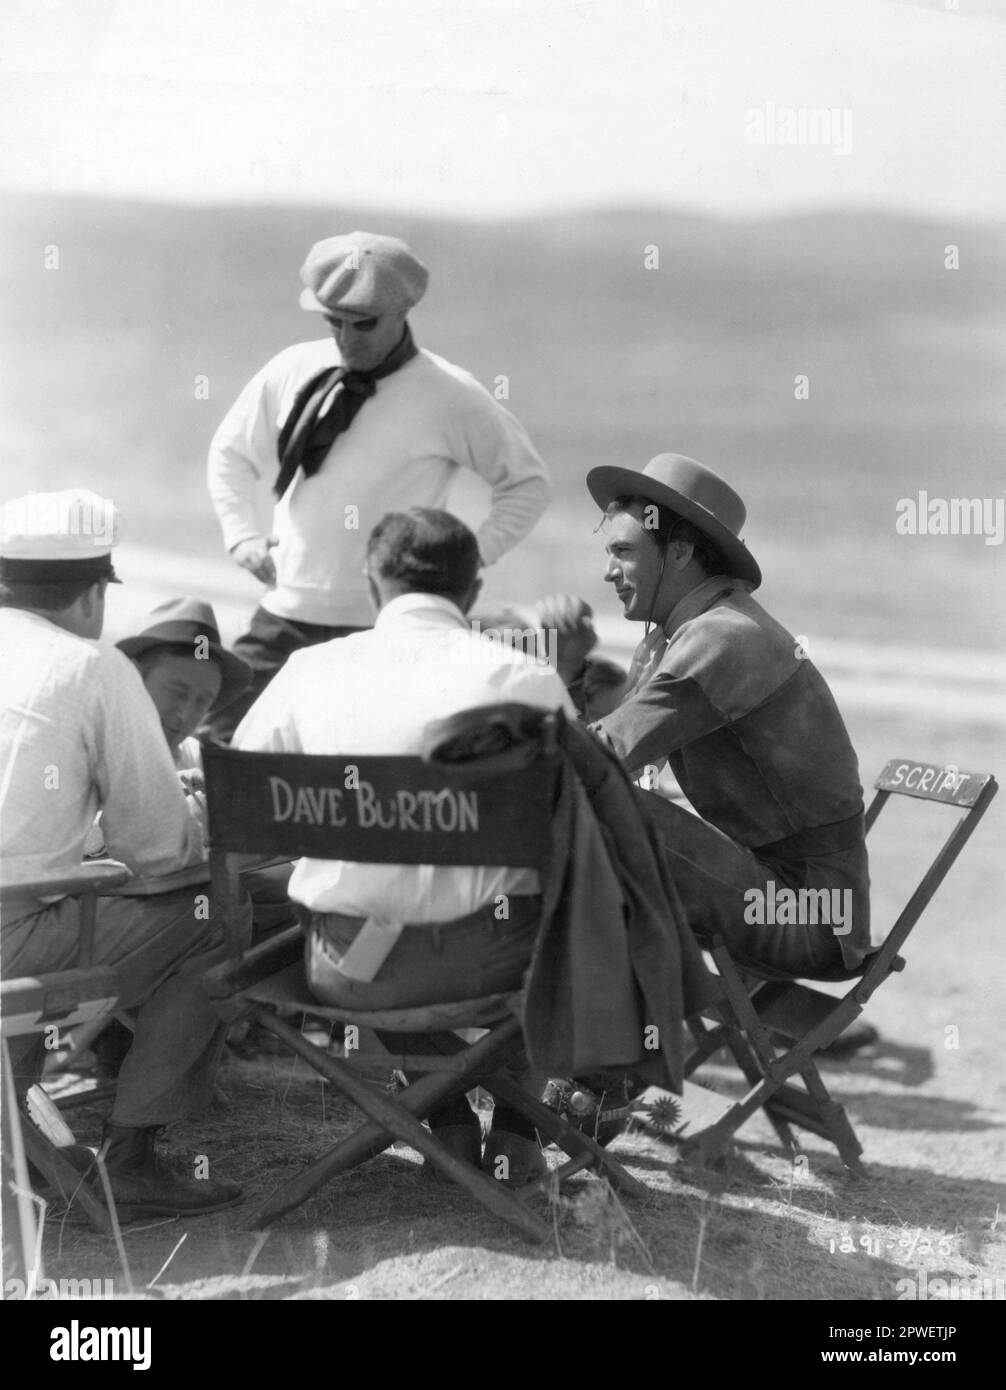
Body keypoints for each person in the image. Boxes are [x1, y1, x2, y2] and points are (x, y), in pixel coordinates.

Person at [234, 508, 576, 1184]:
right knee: (565, 917)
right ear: (472, 591)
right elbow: (574, 828)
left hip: (354, 971)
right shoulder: (524, 679)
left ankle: (444, 1116)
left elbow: (241, 807)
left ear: (372, 584)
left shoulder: (308, 670)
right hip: (494, 968)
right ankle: (518, 1134)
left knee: (378, 919)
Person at [0, 490, 251, 1217]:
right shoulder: (88, 665)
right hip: (8, 949)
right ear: (90, 597)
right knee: (210, 920)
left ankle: (19, 1130)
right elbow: (157, 848)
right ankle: (133, 1158)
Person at [205, 230, 552, 740]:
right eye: (334, 323)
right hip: (286, 608)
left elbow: (526, 483)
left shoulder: (449, 392)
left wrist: (469, 556)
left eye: (364, 324)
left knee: (368, 758)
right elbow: (230, 453)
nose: (347, 339)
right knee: (219, 746)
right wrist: (242, 535)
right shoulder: (293, 368)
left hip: (385, 622)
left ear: (401, 313)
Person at [542, 453, 872, 978]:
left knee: (606, 812)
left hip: (806, 916)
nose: (608, 572)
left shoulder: (723, 638)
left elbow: (599, 757)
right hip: (776, 891)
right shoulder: (679, 636)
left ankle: (554, 1017)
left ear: (678, 552)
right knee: (597, 809)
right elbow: (608, 750)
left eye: (623, 552)